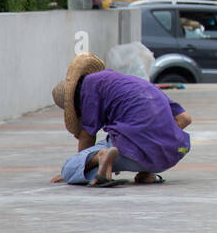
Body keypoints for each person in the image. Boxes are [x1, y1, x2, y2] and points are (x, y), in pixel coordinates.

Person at [47, 53, 193, 187]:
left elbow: (87, 136)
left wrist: (78, 165)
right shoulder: (135, 84)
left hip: (130, 151)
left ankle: (100, 157)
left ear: (75, 105)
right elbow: (184, 119)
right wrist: (153, 144)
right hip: (170, 154)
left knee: (70, 168)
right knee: (130, 138)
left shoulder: (89, 87)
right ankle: (147, 171)